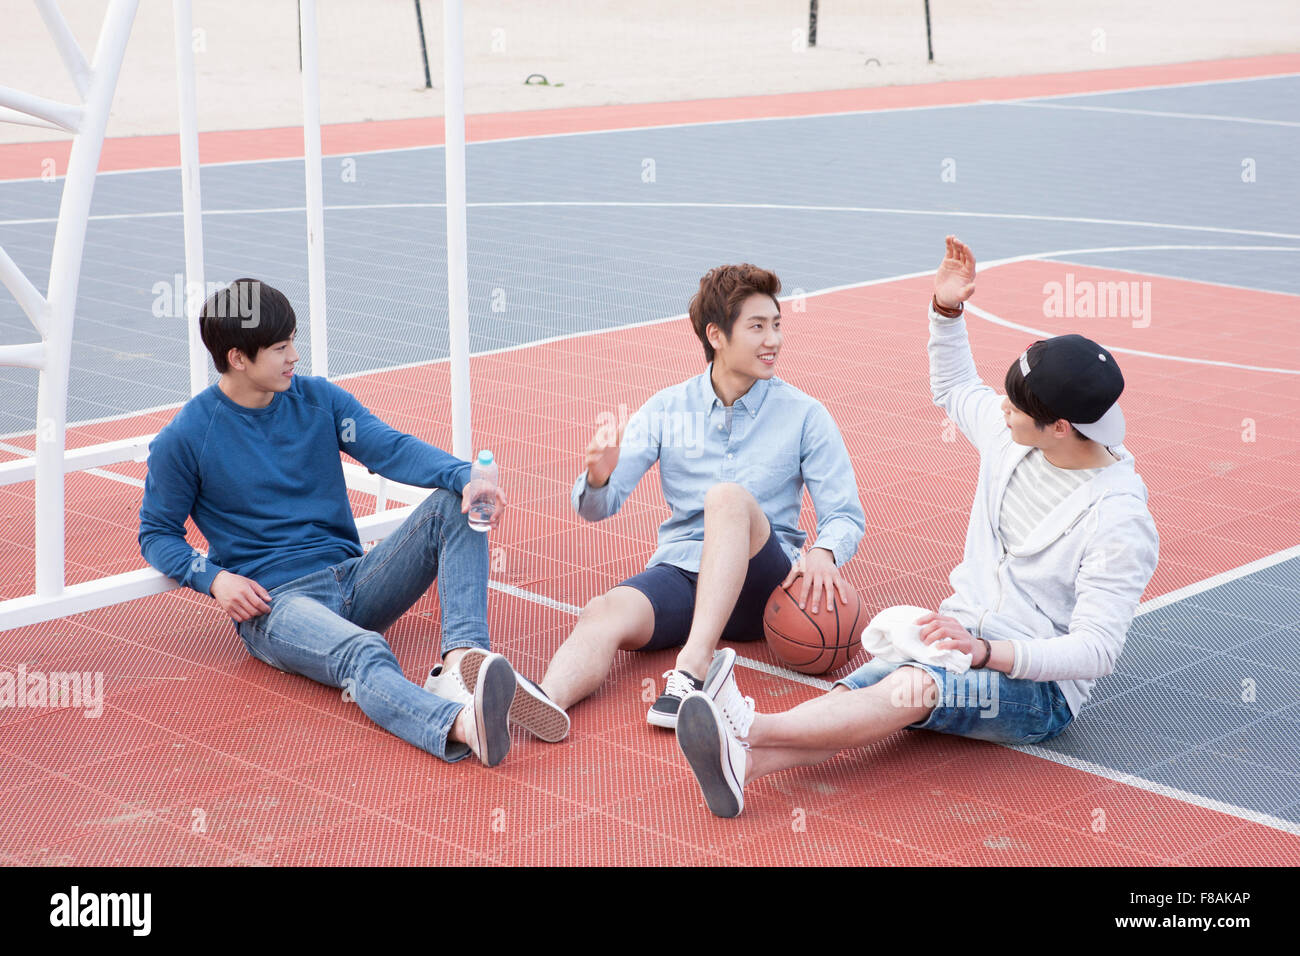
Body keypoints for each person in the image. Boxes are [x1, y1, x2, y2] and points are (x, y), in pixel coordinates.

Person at [674, 236, 1160, 817]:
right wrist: (947, 311)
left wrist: (987, 652)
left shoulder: (1120, 521)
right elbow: (954, 387)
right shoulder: (1013, 439)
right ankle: (745, 764)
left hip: (1037, 692)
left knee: (915, 689)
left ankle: (748, 725)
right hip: (957, 632)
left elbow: (1096, 651)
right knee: (874, 688)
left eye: (1015, 406)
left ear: (1059, 426)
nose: (1000, 409)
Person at [138, 279, 567, 768]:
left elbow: (389, 447)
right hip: (278, 603)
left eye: (293, 341)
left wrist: (466, 476)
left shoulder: (317, 400)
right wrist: (214, 579)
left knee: (454, 503)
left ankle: (462, 660)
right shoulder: (186, 437)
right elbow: (156, 534)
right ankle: (459, 724)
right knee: (364, 650)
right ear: (237, 357)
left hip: (356, 580)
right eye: (280, 347)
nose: (294, 356)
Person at [538, 263, 866, 729]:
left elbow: (845, 515)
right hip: (685, 575)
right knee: (603, 611)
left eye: (776, 325)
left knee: (727, 499)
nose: (773, 340)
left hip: (763, 587)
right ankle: (543, 705)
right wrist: (597, 478)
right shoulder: (667, 408)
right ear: (716, 335)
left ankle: (691, 672)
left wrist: (825, 553)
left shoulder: (805, 414)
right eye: (757, 327)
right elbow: (598, 509)